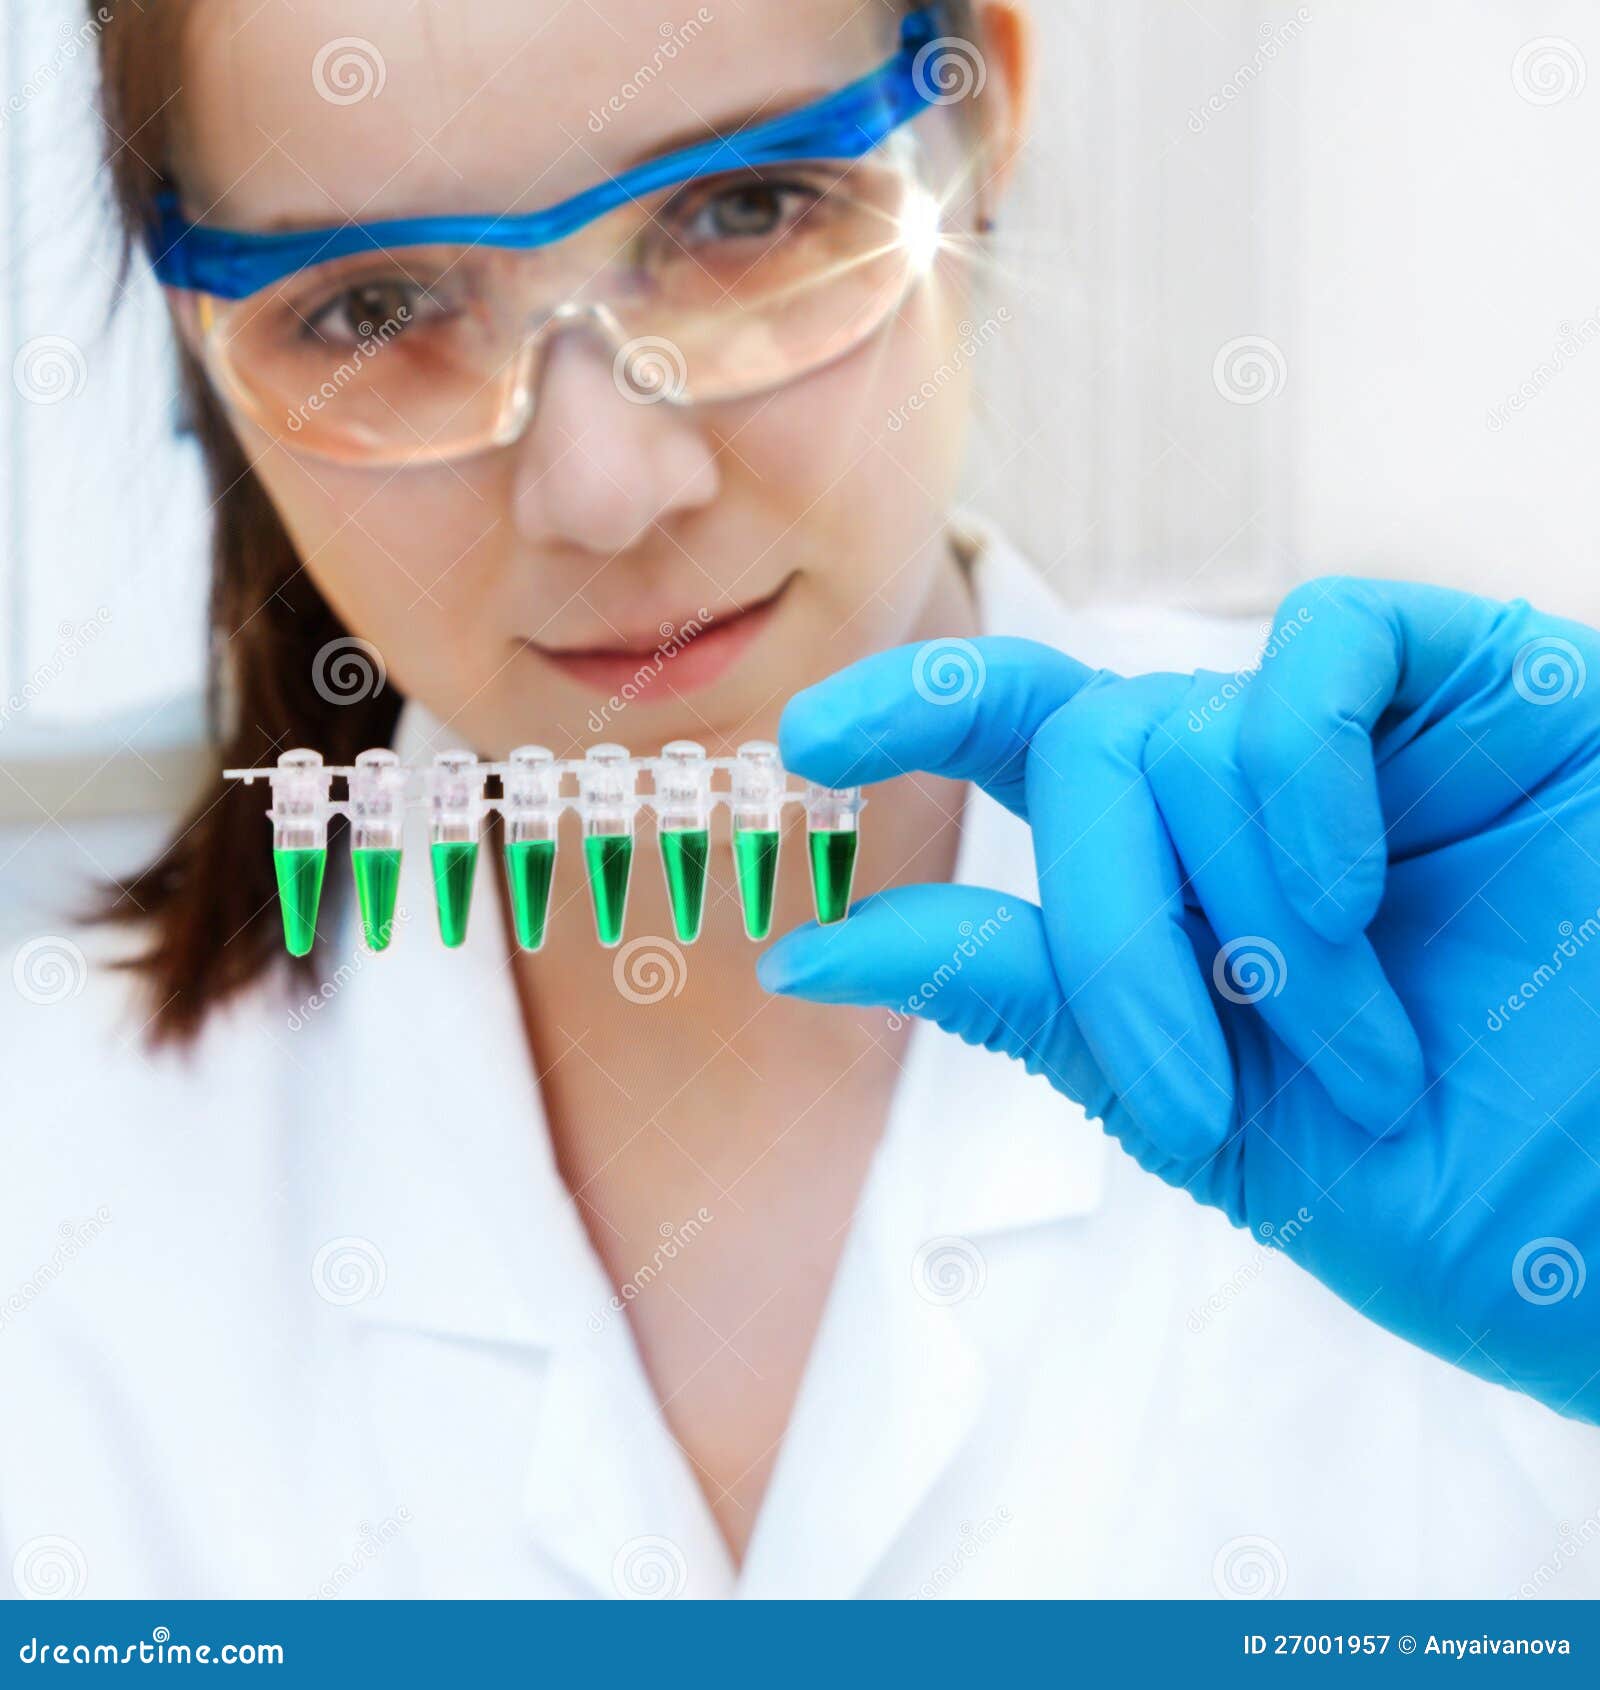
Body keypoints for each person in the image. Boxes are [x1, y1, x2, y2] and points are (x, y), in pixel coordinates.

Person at [1, 0, 1596, 1601]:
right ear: (199, 336)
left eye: (741, 210)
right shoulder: (50, 1190)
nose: (608, 486)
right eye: (373, 308)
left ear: (973, 124)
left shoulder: (1466, 937)